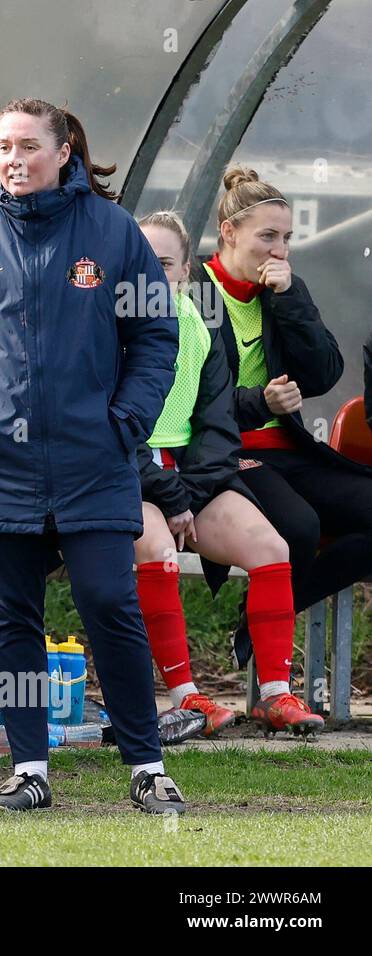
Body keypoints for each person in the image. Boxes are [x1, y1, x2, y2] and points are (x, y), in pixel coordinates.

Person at [0, 99, 186, 813]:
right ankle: (30, 768)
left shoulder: (112, 232)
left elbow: (155, 333)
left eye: (27, 146)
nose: (12, 159)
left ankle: (146, 766)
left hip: (94, 460)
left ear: (64, 154)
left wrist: (129, 420)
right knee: (10, 617)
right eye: (2, 146)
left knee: (109, 601)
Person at [199, 166, 372, 716]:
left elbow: (322, 373)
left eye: (287, 238)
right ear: (229, 232)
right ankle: (273, 687)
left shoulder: (282, 290)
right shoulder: (196, 293)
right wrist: (259, 404)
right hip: (226, 454)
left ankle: (260, 619)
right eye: (267, 236)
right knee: (299, 525)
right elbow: (183, 397)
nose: (279, 249)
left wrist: (291, 298)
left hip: (286, 450)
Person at [133, 211, 313, 736]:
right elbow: (109, 434)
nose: (152, 277)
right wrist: (170, 498)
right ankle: (186, 699)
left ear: (186, 270)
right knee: (157, 548)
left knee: (271, 547)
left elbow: (218, 424)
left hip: (190, 480)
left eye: (164, 264)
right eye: (141, 264)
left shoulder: (198, 323)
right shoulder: (106, 328)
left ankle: (275, 697)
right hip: (129, 478)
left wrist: (189, 492)